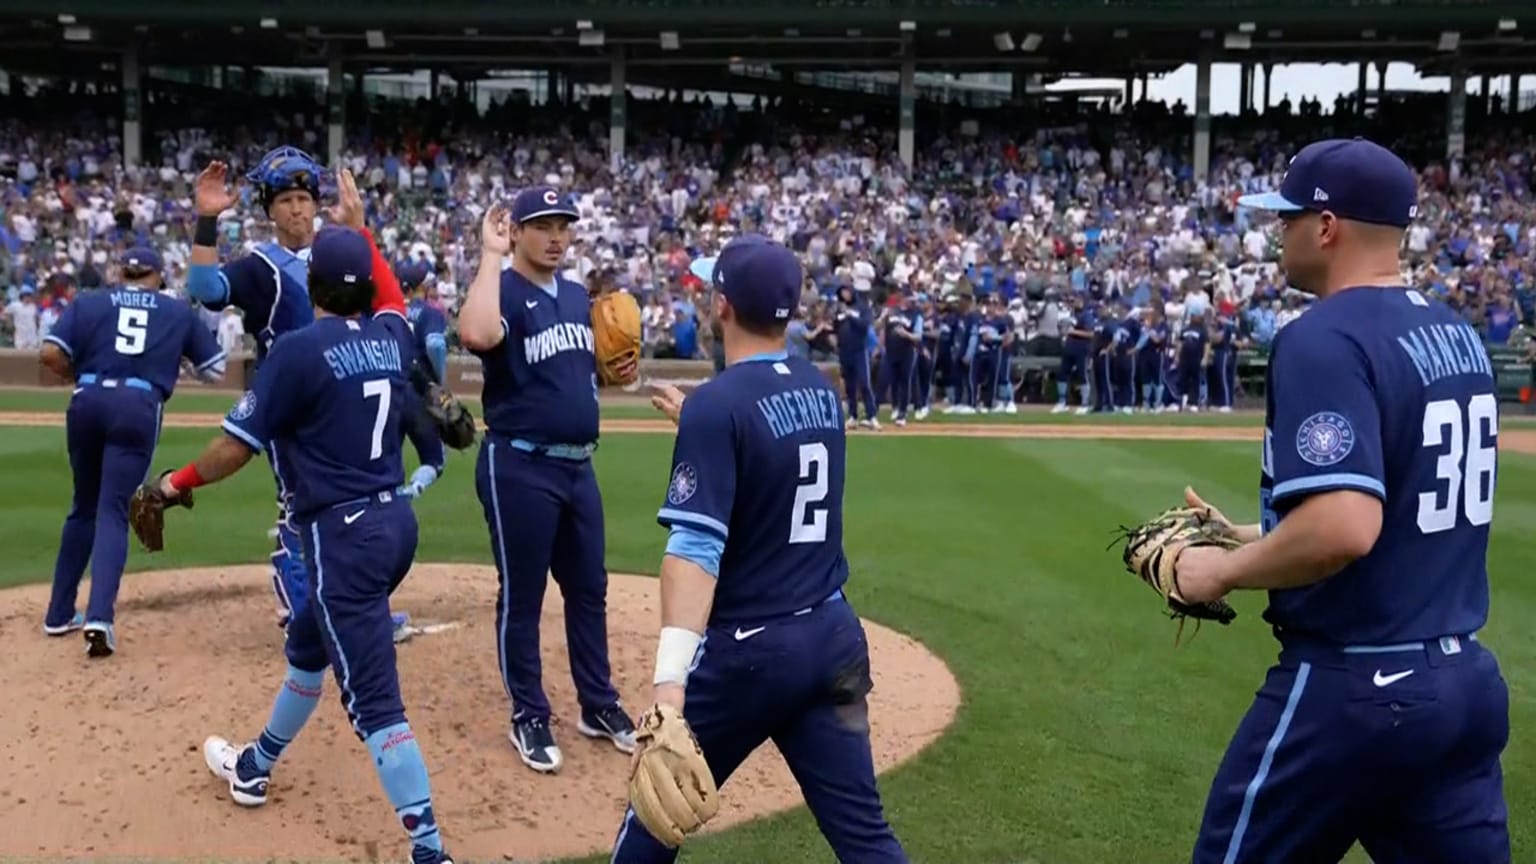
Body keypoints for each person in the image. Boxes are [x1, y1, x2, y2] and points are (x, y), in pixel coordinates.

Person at [1173, 138, 1509, 864]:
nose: (1278, 233)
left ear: (1327, 227)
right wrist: (1250, 536)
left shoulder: (1323, 336)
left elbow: (1347, 527)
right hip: (1465, 685)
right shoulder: (1458, 333)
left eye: (1288, 217)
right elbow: (1407, 513)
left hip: (1357, 687)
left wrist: (1218, 573)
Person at [613, 234, 907, 863]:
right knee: (865, 839)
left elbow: (693, 552)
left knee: (651, 824)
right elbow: (773, 454)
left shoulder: (719, 408)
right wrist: (704, 424)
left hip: (752, 654)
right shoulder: (819, 388)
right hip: (830, 636)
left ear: (721, 306)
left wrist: (668, 691)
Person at [170, 224, 457, 864]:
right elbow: (388, 297)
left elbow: (232, 451)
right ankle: (255, 764)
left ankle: (431, 852)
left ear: (310, 283)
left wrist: (172, 483)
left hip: (342, 538)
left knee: (379, 707)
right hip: (395, 527)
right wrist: (362, 229)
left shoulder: (297, 351)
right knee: (307, 641)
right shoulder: (392, 334)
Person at [185, 149, 415, 642]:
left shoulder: (339, 251)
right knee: (300, 505)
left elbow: (386, 301)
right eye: (285, 200)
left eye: (304, 198)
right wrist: (206, 219)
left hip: (348, 390)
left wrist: (359, 232)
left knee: (362, 502)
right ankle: (305, 613)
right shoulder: (259, 266)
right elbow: (205, 288)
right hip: (292, 402)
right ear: (269, 209)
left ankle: (353, 605)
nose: (297, 209)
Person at [457, 189, 635, 775]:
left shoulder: (579, 295)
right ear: (518, 232)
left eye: (563, 225)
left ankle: (597, 703)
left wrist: (618, 375)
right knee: (525, 597)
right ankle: (528, 714)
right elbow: (478, 336)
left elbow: (574, 377)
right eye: (542, 226)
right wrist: (490, 253)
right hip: (519, 465)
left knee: (589, 590)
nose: (556, 236)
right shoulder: (502, 288)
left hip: (578, 465)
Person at [39, 246, 226, 656]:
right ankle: (99, 618)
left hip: (87, 397)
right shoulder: (175, 310)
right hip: (137, 405)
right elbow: (215, 370)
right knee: (113, 509)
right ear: (158, 276)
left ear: (120, 272)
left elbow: (49, 353)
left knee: (83, 506)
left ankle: (57, 613)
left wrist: (83, 370)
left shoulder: (90, 302)